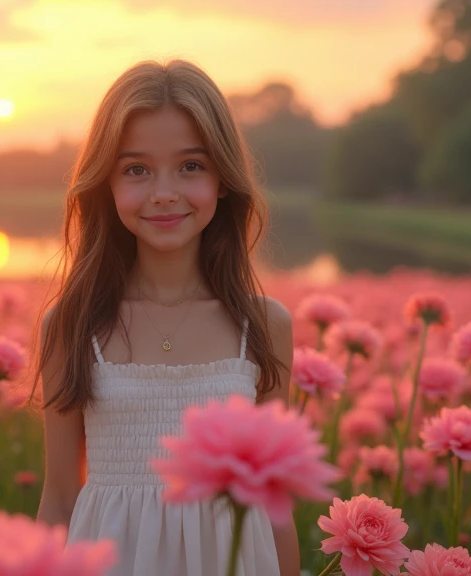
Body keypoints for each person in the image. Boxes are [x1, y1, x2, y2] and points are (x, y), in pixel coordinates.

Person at [32, 58, 297, 576]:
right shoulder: (72, 325)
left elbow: (274, 506)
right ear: (106, 183)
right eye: (137, 170)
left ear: (223, 179)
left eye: (191, 166)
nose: (164, 192)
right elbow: (60, 497)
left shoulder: (265, 326)